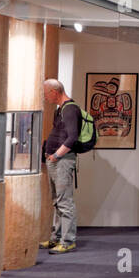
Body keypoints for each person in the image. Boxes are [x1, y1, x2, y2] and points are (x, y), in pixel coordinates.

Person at [41, 79, 80, 254]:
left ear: (54, 92)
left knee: (64, 202)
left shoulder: (70, 109)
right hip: (55, 161)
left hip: (62, 161)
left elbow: (72, 137)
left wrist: (56, 155)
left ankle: (68, 241)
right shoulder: (60, 110)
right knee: (57, 201)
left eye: (46, 93)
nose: (45, 96)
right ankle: (56, 238)